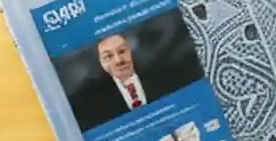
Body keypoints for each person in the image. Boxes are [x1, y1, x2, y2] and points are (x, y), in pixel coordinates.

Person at [66, 24, 204, 132]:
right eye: (108, 56)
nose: (119, 60)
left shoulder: (170, 75)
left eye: (122, 51)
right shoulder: (87, 101)